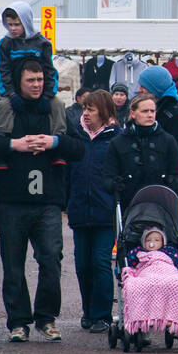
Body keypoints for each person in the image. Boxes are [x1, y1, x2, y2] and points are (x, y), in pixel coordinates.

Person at [0, 59, 86, 342]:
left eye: (40, 80)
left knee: (51, 261)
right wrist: (14, 145)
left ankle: (46, 318)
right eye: (30, 81)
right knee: (13, 265)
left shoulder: (57, 108)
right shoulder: (2, 107)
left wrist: (54, 142)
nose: (36, 85)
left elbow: (79, 149)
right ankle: (18, 322)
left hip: (48, 201)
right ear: (19, 83)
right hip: (11, 201)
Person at [66, 90, 120, 333]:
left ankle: (102, 314)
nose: (86, 113)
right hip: (79, 209)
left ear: (105, 112)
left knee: (100, 262)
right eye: (85, 108)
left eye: (91, 109)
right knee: (82, 264)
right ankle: (88, 311)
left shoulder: (116, 139)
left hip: (105, 211)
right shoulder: (75, 136)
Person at [0, 2, 65, 143]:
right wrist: (10, 94)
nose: (12, 28)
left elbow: (50, 71)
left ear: (26, 22)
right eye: (10, 24)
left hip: (39, 92)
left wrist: (48, 95)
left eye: (17, 24)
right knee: (3, 105)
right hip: (13, 93)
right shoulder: (5, 43)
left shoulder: (43, 43)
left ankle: (58, 140)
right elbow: (0, 72)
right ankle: (2, 140)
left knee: (58, 104)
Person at [104, 93, 178, 220]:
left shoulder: (168, 140)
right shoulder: (118, 143)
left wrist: (171, 182)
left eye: (152, 111)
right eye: (144, 111)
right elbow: (107, 178)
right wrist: (117, 184)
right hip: (129, 209)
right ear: (133, 113)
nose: (150, 115)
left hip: (162, 208)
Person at [137, 66, 178, 190]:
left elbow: (176, 156)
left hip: (165, 188)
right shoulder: (158, 112)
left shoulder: (174, 117)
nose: (139, 90)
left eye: (143, 87)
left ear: (155, 89)